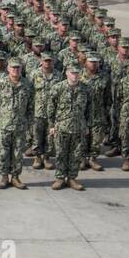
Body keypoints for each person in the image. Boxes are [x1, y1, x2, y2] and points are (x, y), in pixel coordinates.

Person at [0, 58, 33, 189]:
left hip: (20, 125)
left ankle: (15, 177)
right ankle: (4, 177)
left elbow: (31, 105)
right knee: (3, 152)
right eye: (13, 67)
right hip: (4, 124)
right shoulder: (0, 84)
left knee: (18, 153)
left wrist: (29, 122)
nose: (15, 70)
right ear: (8, 69)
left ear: (21, 69)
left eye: (18, 67)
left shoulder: (27, 84)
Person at [48, 63, 92, 191]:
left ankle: (72, 178)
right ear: (67, 73)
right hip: (61, 127)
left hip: (78, 127)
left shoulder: (86, 89)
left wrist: (87, 125)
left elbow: (90, 108)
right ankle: (60, 178)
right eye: (72, 73)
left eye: (77, 73)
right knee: (61, 153)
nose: (75, 75)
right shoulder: (58, 88)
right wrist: (51, 125)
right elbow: (51, 107)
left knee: (76, 154)